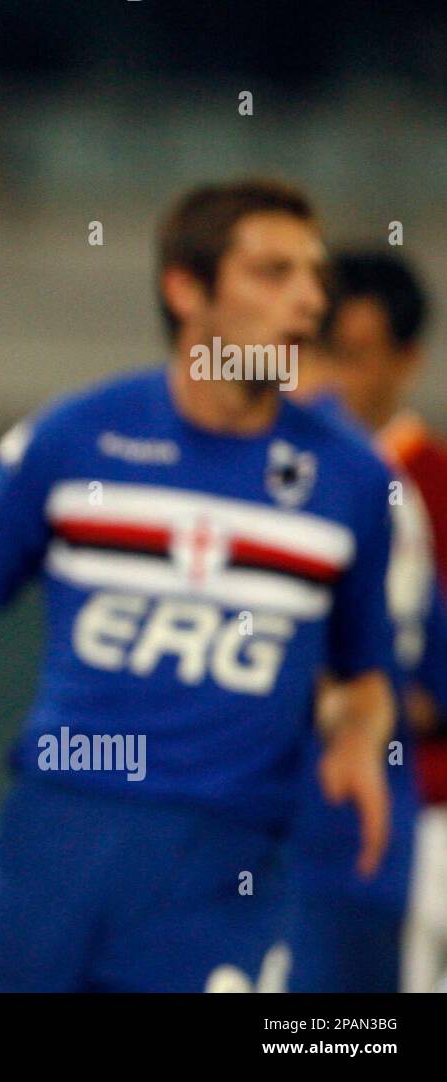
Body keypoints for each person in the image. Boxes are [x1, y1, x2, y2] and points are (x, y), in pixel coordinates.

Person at [0, 179, 397, 992]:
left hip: (227, 866)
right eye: (274, 273)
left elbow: (365, 679)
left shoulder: (349, 480)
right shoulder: (76, 440)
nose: (311, 300)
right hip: (54, 842)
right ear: (186, 288)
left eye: (315, 275)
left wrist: (355, 736)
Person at [291, 252, 447, 991]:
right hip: (287, 816)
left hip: (418, 814)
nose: (329, 379)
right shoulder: (278, 472)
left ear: (406, 360)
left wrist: (345, 703)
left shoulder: (426, 490)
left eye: (353, 356)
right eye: (316, 351)